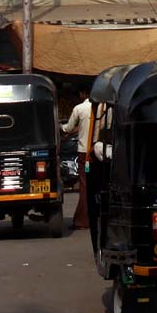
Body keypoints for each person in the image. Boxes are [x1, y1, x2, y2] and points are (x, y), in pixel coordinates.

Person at [62, 87, 92, 231]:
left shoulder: (80, 108)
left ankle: (82, 221)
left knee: (85, 187)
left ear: (83, 93)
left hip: (84, 154)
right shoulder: (106, 108)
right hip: (100, 151)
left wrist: (61, 129)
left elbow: (67, 128)